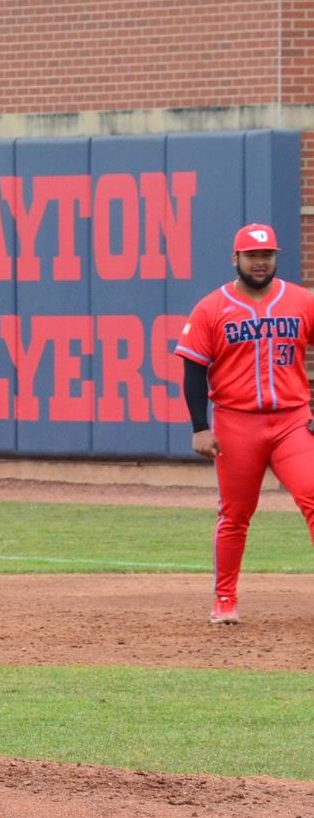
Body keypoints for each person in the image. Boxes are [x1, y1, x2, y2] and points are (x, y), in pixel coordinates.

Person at [175, 223, 314, 625]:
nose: (260, 262)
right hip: (237, 422)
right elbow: (193, 370)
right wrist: (200, 427)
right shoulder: (211, 307)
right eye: (252, 256)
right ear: (235, 259)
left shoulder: (301, 301)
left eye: (267, 254)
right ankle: (224, 600)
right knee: (235, 514)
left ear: (276, 257)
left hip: (292, 420)